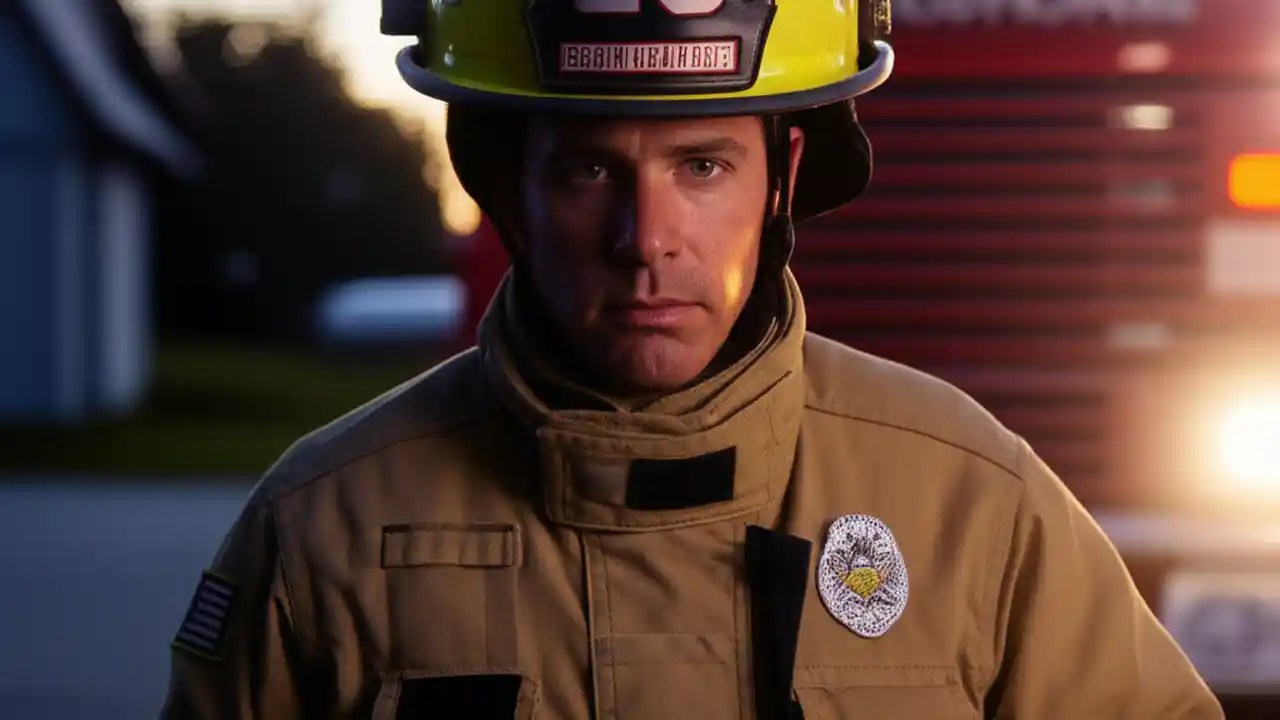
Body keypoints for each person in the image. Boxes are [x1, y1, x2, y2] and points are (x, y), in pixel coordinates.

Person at [160, 1, 1224, 718]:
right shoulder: (321, 533)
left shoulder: (972, 504)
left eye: (701, 164)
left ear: (780, 178)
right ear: (504, 189)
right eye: (586, 169)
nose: (645, 239)